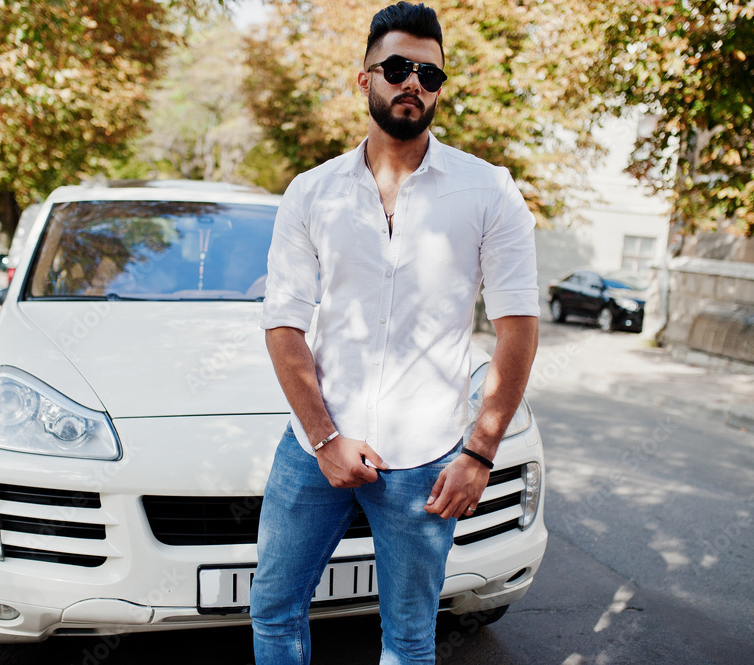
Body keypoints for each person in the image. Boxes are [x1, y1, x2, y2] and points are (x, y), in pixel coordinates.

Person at [250, 2, 540, 663]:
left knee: (409, 638)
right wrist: (324, 438)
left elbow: (517, 327)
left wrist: (480, 453)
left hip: (428, 456)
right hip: (316, 445)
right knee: (273, 608)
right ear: (365, 80)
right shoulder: (310, 193)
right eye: (398, 68)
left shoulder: (489, 191)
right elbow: (284, 322)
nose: (413, 83)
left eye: (429, 75)